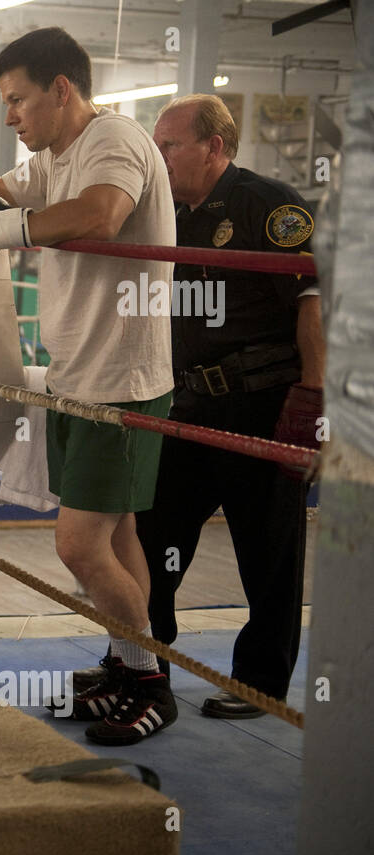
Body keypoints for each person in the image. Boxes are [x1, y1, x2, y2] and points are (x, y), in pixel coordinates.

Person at [0, 26, 177, 744]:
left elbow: (101, 214)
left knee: (78, 545)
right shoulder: (52, 157)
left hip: (122, 382)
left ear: (61, 90)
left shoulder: (113, 140)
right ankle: (126, 665)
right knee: (119, 530)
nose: (11, 117)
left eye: (19, 101)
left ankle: (151, 681)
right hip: (79, 374)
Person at [130, 94, 320, 718]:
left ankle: (260, 686)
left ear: (214, 146)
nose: (159, 158)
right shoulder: (167, 214)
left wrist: (311, 400)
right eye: (154, 146)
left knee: (268, 553)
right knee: (154, 537)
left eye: (169, 145)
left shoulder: (269, 205)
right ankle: (145, 667)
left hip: (263, 407)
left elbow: (314, 301)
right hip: (187, 405)